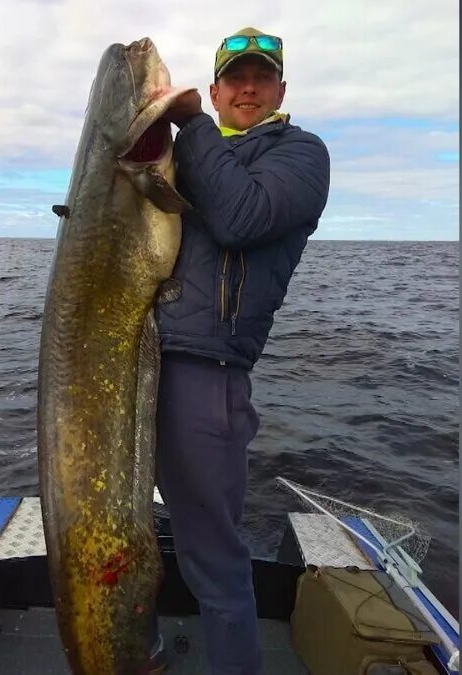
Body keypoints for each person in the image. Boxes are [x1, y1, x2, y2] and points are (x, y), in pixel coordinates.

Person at [149, 27, 331, 675]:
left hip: (204, 372)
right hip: (129, 364)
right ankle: (136, 652)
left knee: (213, 561)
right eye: (235, 76)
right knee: (118, 529)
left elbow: (240, 217)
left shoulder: (300, 154)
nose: (247, 86)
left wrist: (191, 126)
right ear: (219, 85)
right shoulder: (182, 155)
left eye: (261, 76)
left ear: (280, 88)